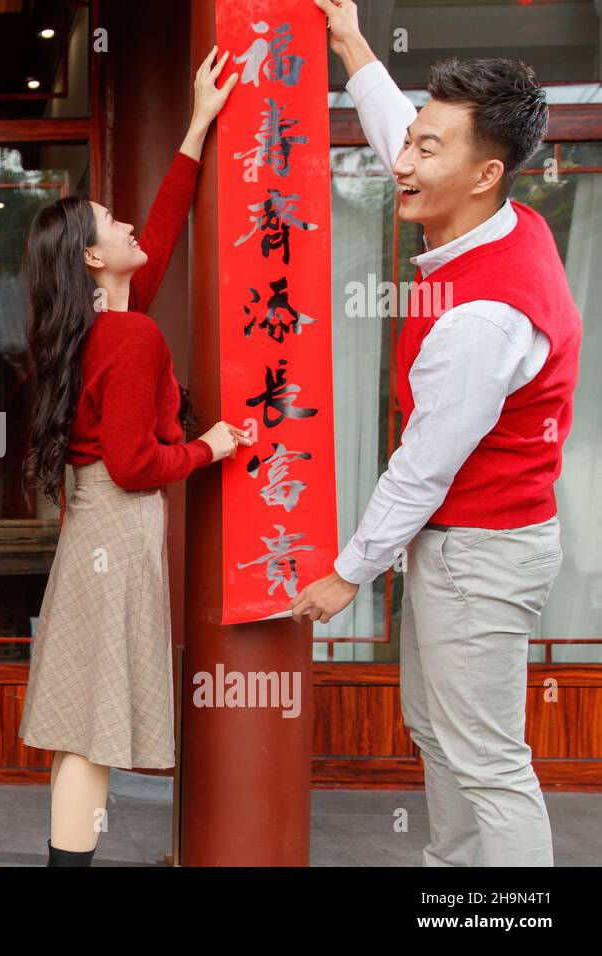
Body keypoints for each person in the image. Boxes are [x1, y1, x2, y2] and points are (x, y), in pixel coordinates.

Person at [294, 0, 582, 867]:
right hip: (471, 546)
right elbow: (399, 136)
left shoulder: (483, 320)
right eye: (411, 140)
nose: (403, 161)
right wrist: (348, 38)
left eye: (428, 148)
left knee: (487, 761)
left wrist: (347, 575)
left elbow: (422, 467)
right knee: (442, 736)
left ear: (485, 172)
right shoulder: (495, 218)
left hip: (480, 554)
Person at [18, 47, 251, 866]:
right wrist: (209, 447)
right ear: (91, 259)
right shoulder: (130, 333)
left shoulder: (103, 330)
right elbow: (132, 464)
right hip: (116, 531)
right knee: (90, 733)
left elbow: (158, 232)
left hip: (93, 538)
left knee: (83, 728)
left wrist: (195, 127)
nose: (127, 228)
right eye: (110, 225)